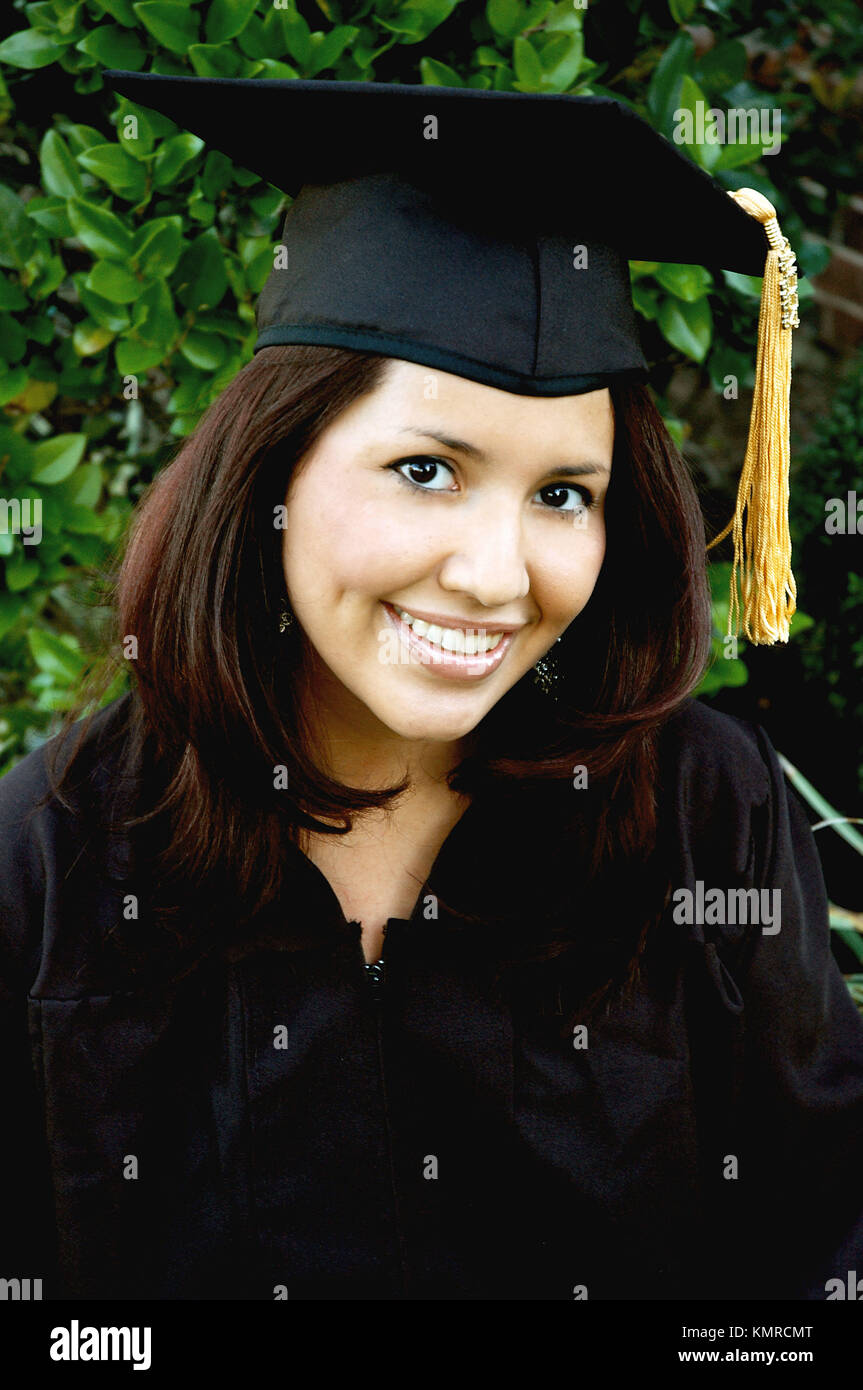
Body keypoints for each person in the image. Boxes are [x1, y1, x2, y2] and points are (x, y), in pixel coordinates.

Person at [0, 75, 861, 1302]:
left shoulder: (698, 811)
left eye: (563, 493)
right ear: (270, 471)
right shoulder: (58, 858)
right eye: (423, 469)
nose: (495, 574)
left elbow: (825, 1226)